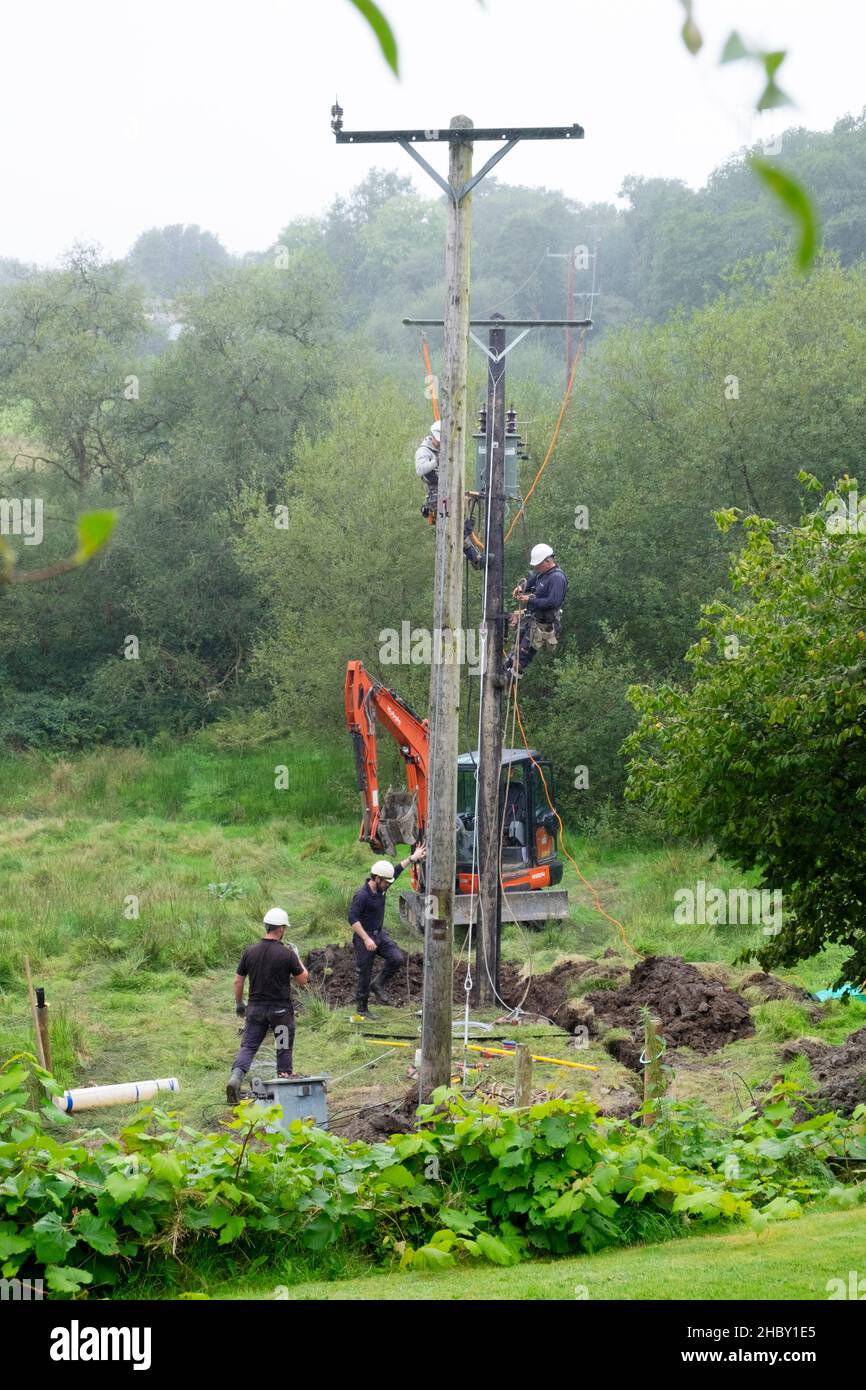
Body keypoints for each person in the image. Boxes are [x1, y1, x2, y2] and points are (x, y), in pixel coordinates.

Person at [226, 907, 309, 1104]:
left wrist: (239, 1003)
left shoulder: (250, 952)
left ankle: (236, 1078)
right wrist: (297, 958)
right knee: (283, 1046)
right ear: (281, 929)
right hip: (280, 1012)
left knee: (249, 1046)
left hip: (255, 1010)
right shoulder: (287, 954)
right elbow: (304, 980)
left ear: (266, 926)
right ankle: (284, 1079)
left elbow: (238, 981)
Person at [349, 846, 426, 1016]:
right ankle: (362, 1009)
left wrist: (412, 858)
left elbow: (396, 870)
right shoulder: (362, 895)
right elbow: (352, 919)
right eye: (386, 882)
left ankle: (378, 984)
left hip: (379, 935)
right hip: (364, 938)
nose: (388, 885)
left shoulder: (382, 888)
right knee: (365, 973)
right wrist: (366, 939)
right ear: (376, 878)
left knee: (396, 958)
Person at [414, 420, 484, 569]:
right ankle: (473, 556)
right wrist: (437, 461)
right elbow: (420, 470)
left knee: (461, 527)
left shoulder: (447, 449)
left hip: (451, 494)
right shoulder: (424, 451)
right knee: (454, 528)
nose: (441, 444)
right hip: (437, 497)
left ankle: (473, 556)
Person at [503, 543, 568, 683]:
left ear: (548, 560)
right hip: (533, 620)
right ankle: (503, 671)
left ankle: (506, 681)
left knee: (522, 656)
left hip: (543, 625)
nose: (537, 567)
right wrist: (521, 587)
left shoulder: (557, 578)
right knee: (515, 651)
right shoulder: (542, 574)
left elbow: (553, 602)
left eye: (539, 564)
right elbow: (532, 580)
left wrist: (530, 599)